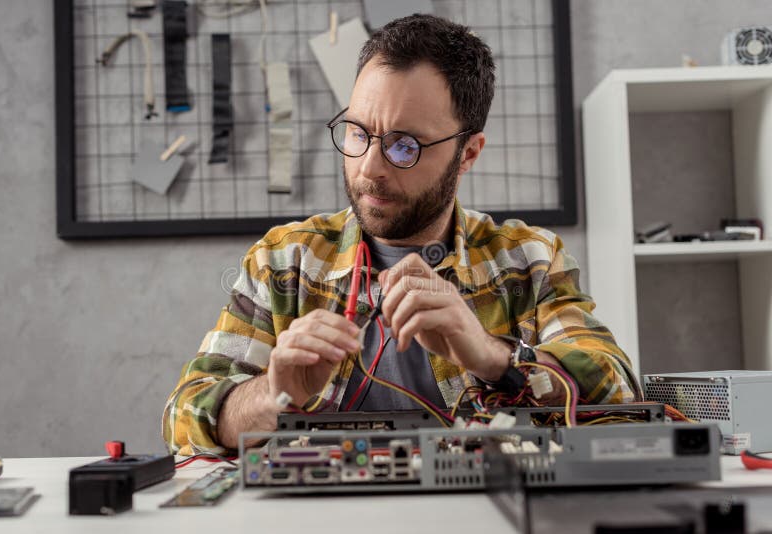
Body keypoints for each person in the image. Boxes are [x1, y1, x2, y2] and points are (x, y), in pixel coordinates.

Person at [163, 14, 638, 455]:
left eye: (404, 145)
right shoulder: (284, 261)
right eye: (357, 133)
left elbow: (618, 391)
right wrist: (275, 394)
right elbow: (183, 416)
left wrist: (494, 359)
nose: (369, 168)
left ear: (468, 154)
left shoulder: (528, 260)